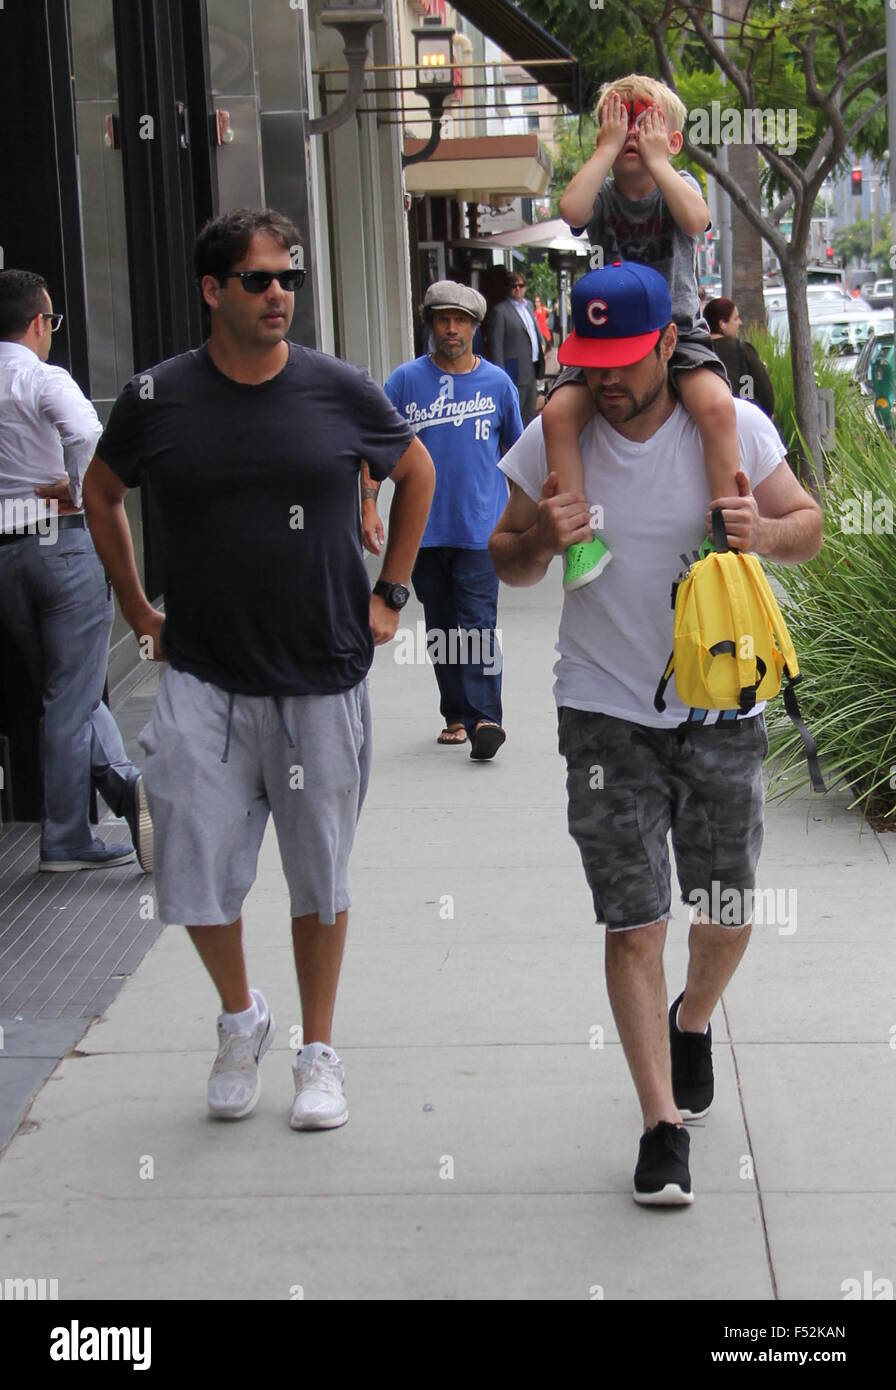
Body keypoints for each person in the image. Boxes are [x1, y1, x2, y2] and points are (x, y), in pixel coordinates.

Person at [83, 207, 435, 1130]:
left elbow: (418, 472)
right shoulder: (159, 398)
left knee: (321, 878)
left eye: (290, 279)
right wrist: (137, 611)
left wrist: (390, 593)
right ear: (212, 289)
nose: (279, 294)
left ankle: (318, 1052)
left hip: (320, 672)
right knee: (193, 870)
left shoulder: (338, 389)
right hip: (202, 676)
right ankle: (242, 1018)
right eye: (259, 279)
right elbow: (101, 490)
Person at [489, 262, 822, 1206]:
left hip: (721, 706)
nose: (607, 381)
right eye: (588, 362)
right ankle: (659, 1127)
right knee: (633, 919)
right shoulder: (554, 438)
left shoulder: (734, 427)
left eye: (624, 362)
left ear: (667, 347)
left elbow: (811, 525)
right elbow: (505, 562)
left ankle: (695, 1015)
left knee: (725, 910)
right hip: (603, 712)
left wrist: (764, 531)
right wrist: (543, 541)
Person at [547, 74, 739, 591]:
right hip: (609, 341)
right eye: (619, 120)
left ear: (672, 141)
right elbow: (571, 211)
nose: (631, 131)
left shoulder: (681, 188)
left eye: (643, 121)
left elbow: (696, 220)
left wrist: (658, 161)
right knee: (559, 414)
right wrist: (607, 150)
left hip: (678, 333)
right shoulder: (604, 197)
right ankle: (580, 541)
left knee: (718, 408)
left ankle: (722, 539)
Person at [0, 269, 151, 873]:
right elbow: (88, 433)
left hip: (5, 550)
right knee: (72, 694)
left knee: (68, 689)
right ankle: (67, 839)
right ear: (39, 322)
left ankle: (126, 790)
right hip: (58, 544)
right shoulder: (41, 376)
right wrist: (81, 488)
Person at [362, 280, 523, 756]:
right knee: (442, 625)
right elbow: (375, 447)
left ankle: (484, 719)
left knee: (476, 623)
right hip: (423, 532)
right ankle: (455, 712)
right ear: (430, 324)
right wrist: (369, 502)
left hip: (481, 528)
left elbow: (515, 453)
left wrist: (519, 517)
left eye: (460, 320)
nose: (451, 328)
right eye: (442, 319)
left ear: (474, 327)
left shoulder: (497, 384)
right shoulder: (404, 382)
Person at [485, 271, 544, 426]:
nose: (517, 289)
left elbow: (533, 333)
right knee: (514, 418)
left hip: (531, 368)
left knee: (530, 415)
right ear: (508, 288)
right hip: (513, 372)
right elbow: (496, 346)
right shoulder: (500, 311)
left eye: (521, 285)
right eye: (513, 286)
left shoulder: (529, 306)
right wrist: (500, 376)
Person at [705, 297, 776, 420]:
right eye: (736, 318)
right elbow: (766, 394)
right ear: (722, 324)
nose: (740, 323)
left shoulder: (698, 352)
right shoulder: (742, 351)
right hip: (742, 421)